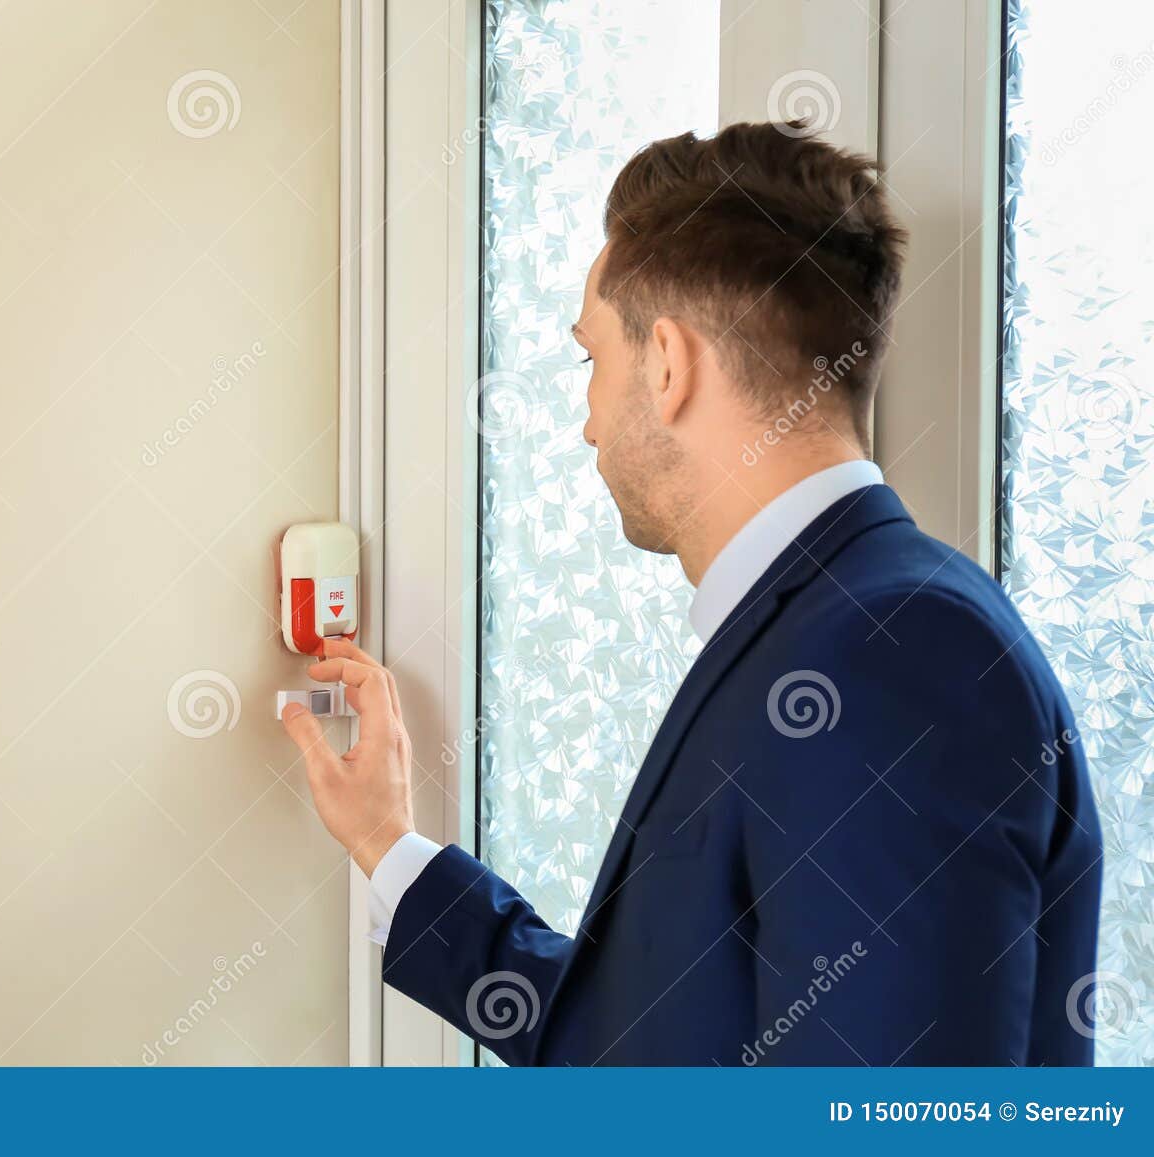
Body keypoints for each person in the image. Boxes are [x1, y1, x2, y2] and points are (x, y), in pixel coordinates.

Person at [279, 122, 1103, 1066]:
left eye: (592, 361)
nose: (587, 422)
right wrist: (389, 843)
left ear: (668, 364)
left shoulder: (890, 650)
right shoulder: (841, 623)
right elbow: (657, 1040)